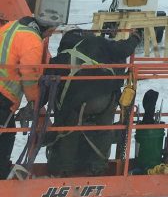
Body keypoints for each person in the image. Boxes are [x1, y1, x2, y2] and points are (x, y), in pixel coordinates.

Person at [46, 28, 141, 177]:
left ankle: (64, 170)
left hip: (79, 104)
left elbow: (48, 89)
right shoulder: (98, 42)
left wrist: (36, 106)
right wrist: (135, 37)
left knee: (68, 131)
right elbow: (124, 49)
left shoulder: (61, 58)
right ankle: (98, 168)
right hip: (106, 100)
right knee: (104, 130)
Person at [0, 11, 61, 177]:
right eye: (51, 32)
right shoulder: (32, 41)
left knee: (7, 132)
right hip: (4, 94)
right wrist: (35, 101)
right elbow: (29, 76)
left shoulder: (12, 26)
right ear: (47, 29)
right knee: (6, 135)